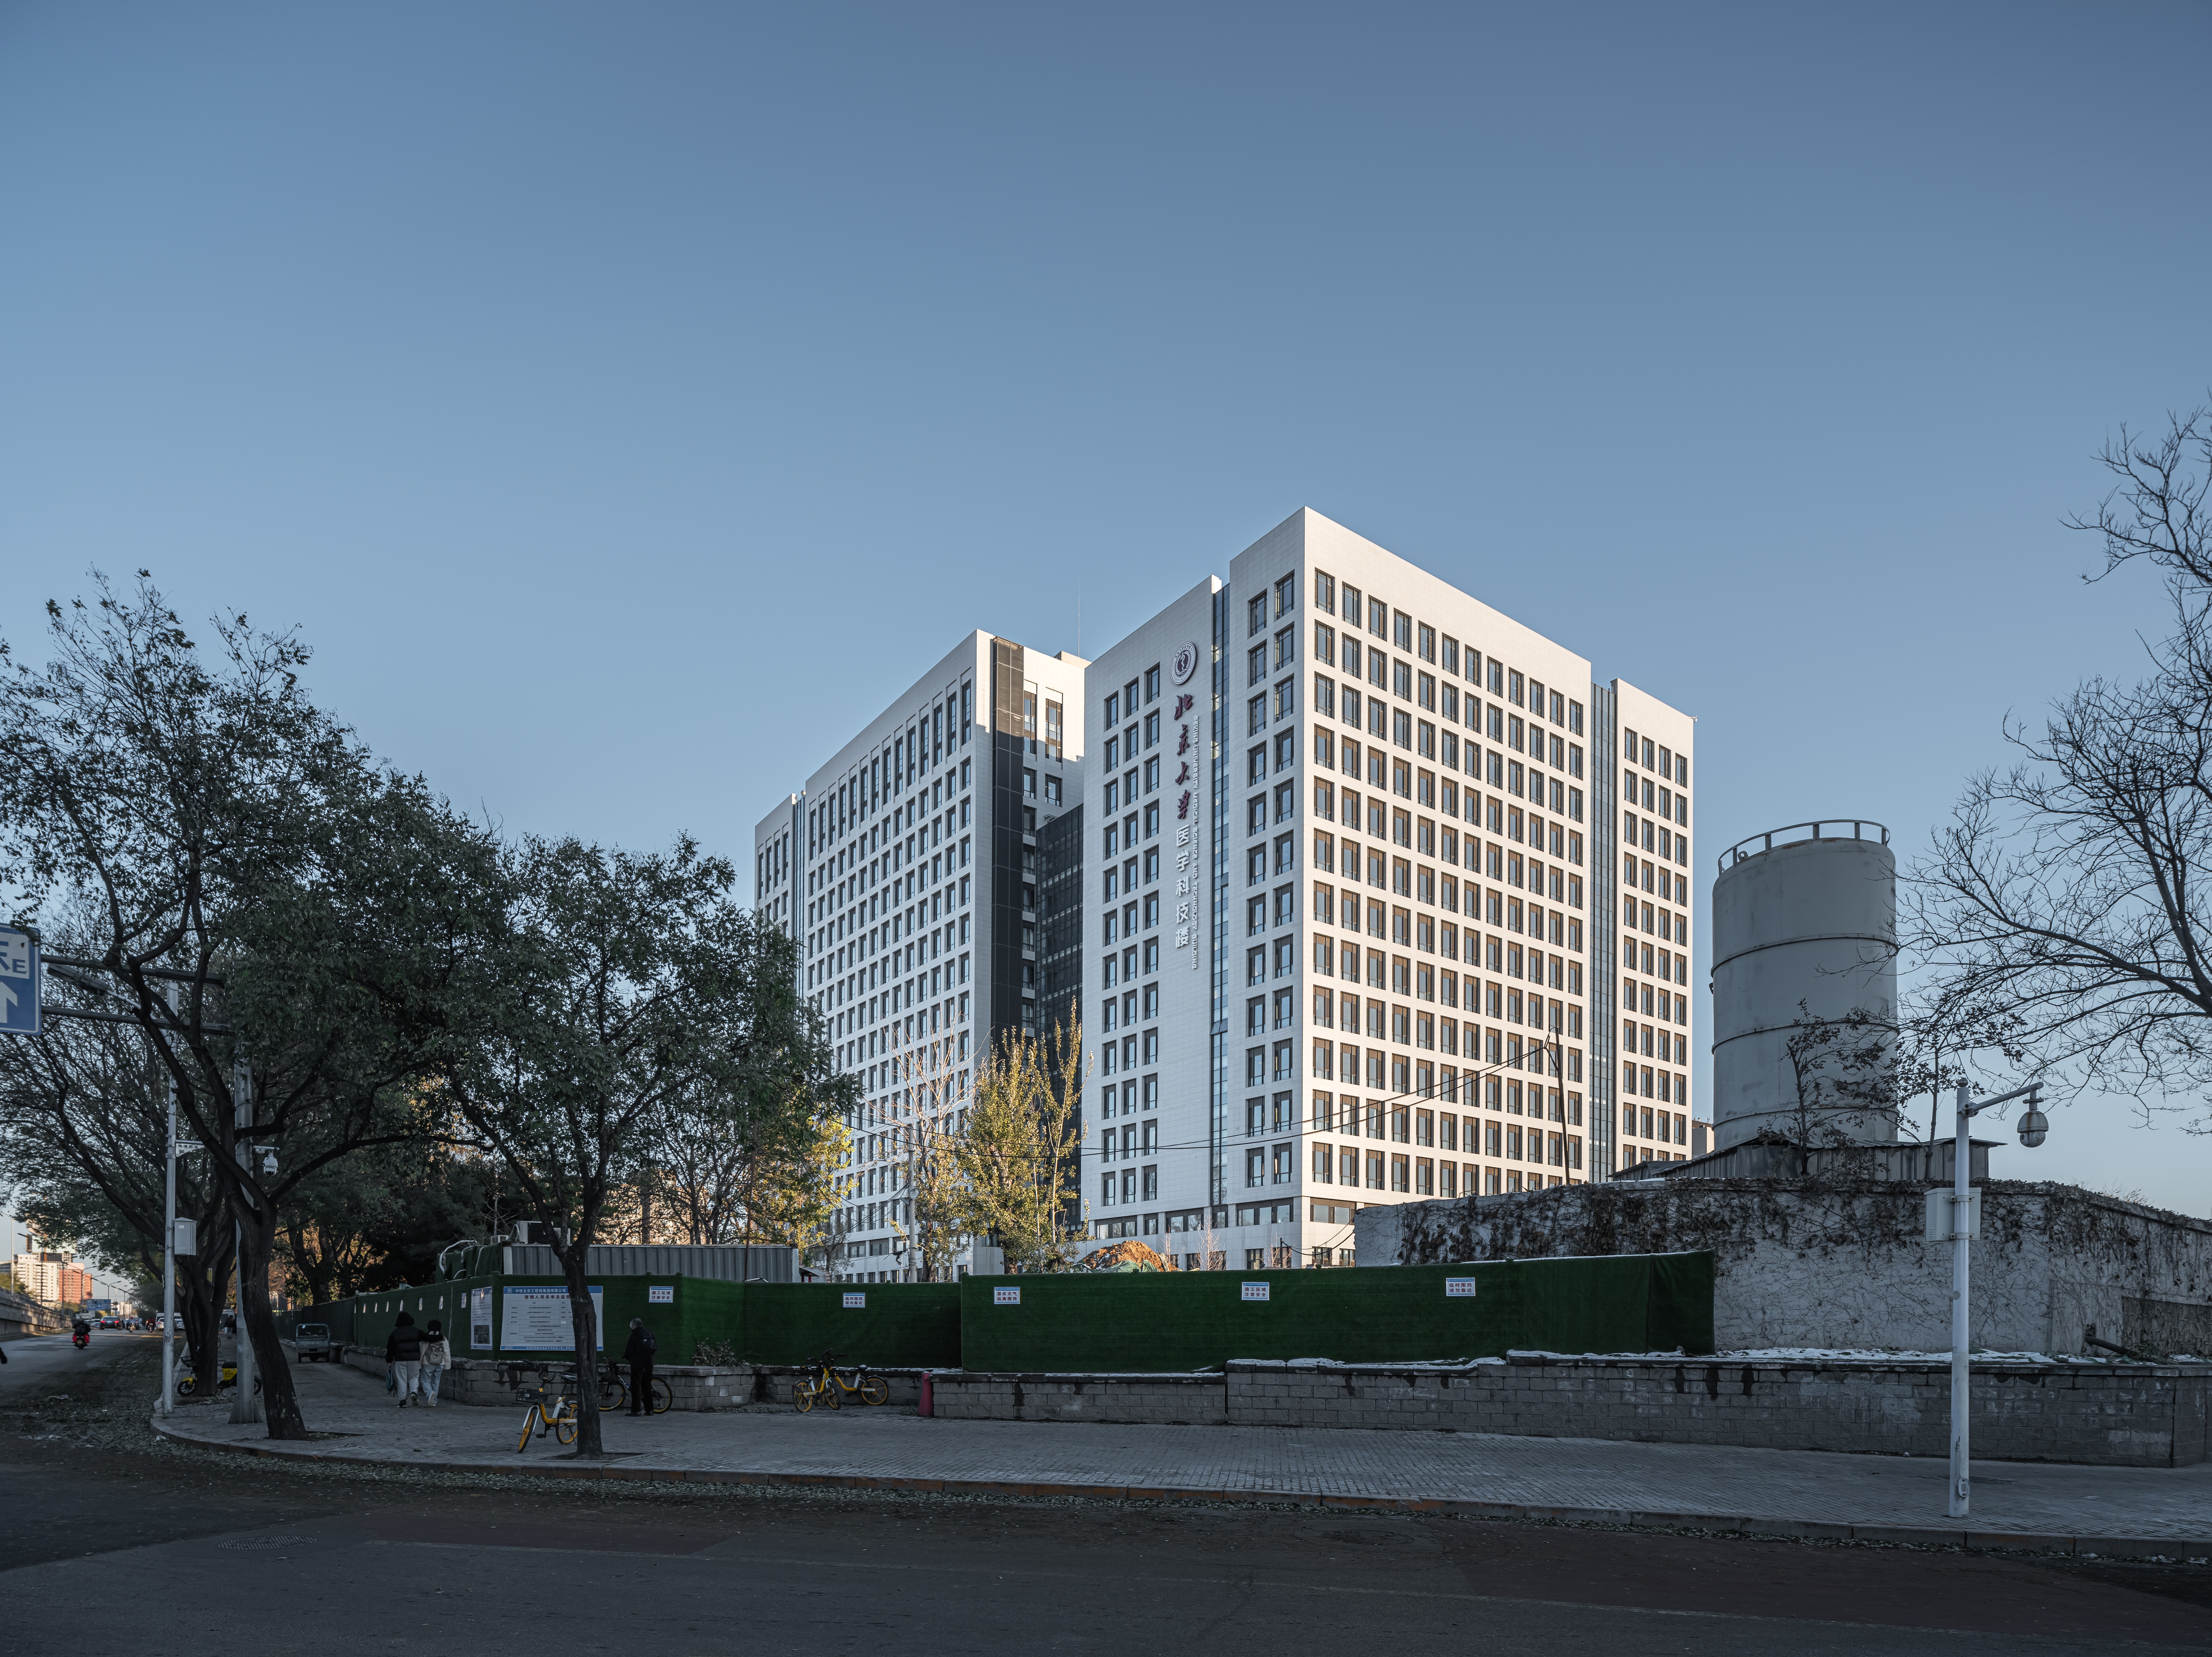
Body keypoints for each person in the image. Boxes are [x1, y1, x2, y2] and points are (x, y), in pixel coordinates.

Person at [385, 1311, 425, 1407]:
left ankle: (403, 1401)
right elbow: (428, 1338)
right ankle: (414, 1392)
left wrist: (389, 1360)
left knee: (402, 1379)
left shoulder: (395, 1333)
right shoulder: (417, 1331)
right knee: (414, 1377)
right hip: (414, 1359)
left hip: (401, 1360)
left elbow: (391, 1349)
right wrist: (439, 1337)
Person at [621, 1317, 655, 1417]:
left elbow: (629, 1351)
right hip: (649, 1364)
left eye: (632, 1327)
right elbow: (654, 1348)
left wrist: (628, 1358)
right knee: (647, 1386)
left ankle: (636, 1411)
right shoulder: (650, 1334)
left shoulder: (634, 1335)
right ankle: (650, 1411)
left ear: (634, 1326)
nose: (631, 1329)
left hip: (637, 1365)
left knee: (636, 1387)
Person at [420, 1319, 450, 1409]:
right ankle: (434, 1402)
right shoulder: (444, 1339)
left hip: (428, 1363)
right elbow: (447, 1352)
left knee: (425, 1381)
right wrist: (447, 1365)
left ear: (428, 1327)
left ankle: (430, 1393)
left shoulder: (425, 1339)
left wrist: (419, 1364)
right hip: (441, 1363)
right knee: (436, 1382)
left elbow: (422, 1353)